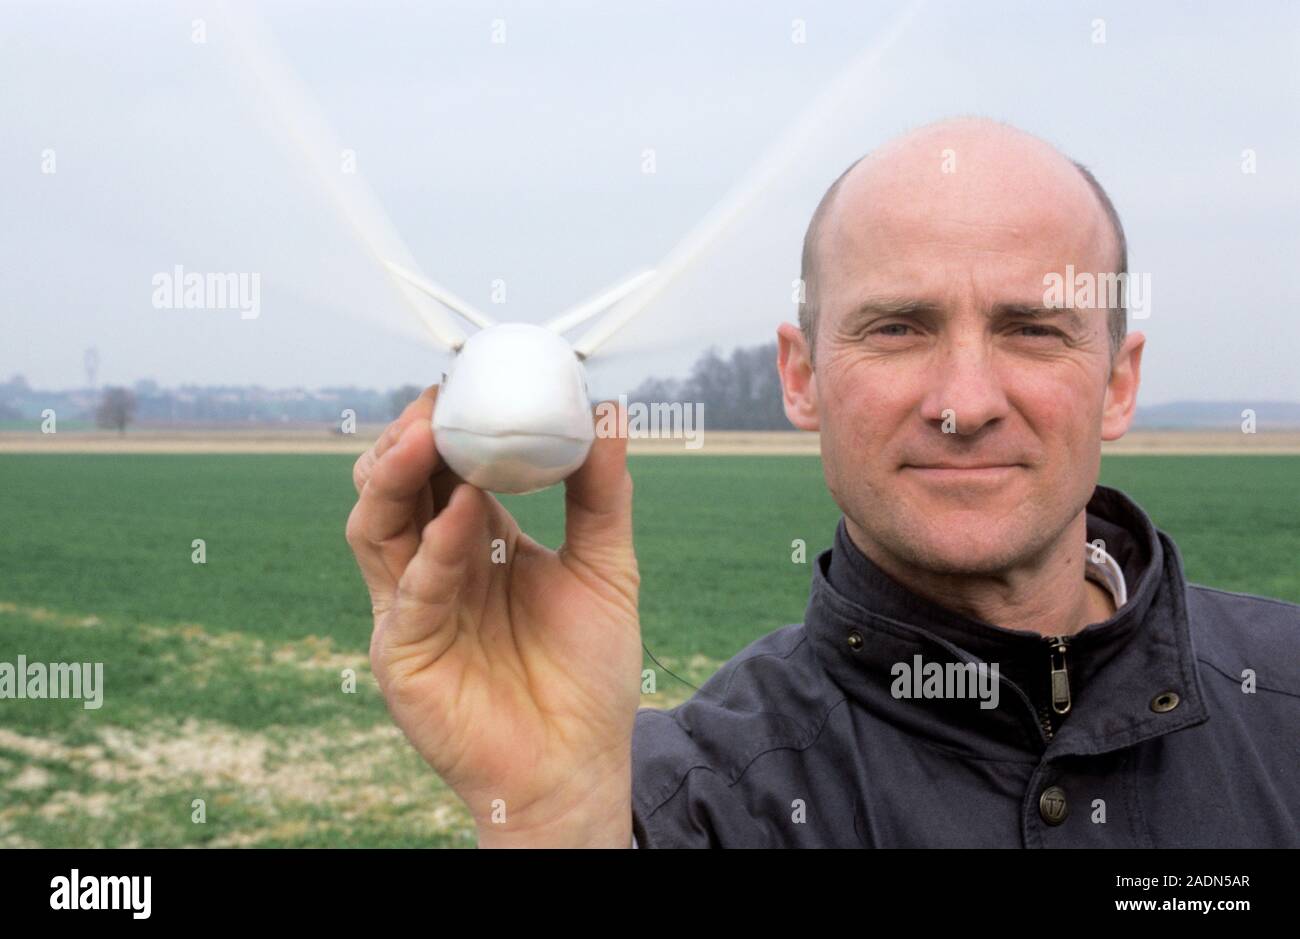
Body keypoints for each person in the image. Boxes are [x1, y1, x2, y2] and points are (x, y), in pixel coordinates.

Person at [345, 117, 1300, 848]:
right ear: (800, 377)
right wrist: (551, 815)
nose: (963, 403)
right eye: (897, 328)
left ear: (1118, 381)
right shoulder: (682, 807)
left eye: (1032, 330)